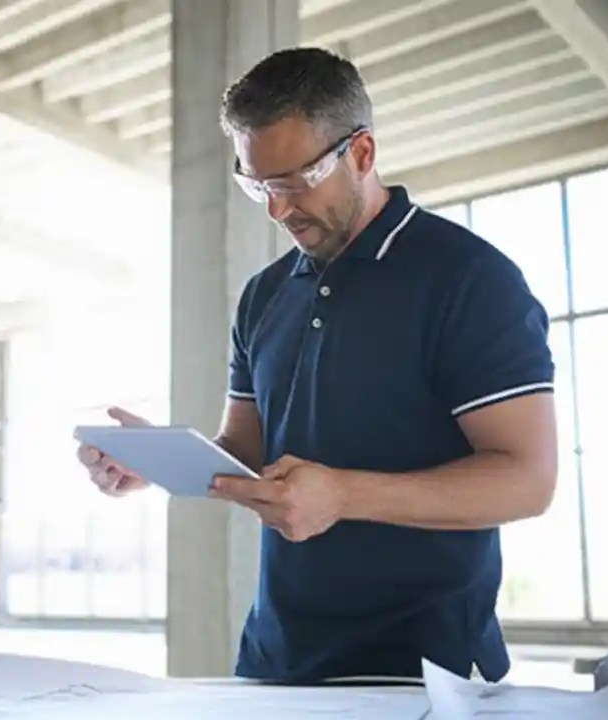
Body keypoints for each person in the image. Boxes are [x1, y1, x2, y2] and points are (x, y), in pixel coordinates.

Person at [76, 47, 557, 683]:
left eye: (294, 183)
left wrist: (343, 496)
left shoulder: (470, 278)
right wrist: (160, 462)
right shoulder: (263, 296)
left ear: (362, 153)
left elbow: (528, 480)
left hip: (422, 675)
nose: (277, 211)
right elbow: (246, 451)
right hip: (274, 664)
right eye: (258, 186)